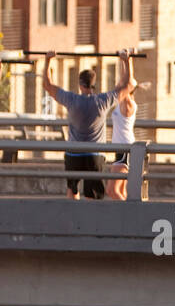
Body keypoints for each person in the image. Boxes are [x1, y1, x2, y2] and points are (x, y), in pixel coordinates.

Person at [42, 50, 131, 200]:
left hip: (73, 153)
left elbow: (47, 85)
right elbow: (128, 86)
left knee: (72, 191)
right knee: (93, 195)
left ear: (80, 84)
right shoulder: (102, 101)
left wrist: (47, 61)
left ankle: (73, 220)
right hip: (95, 154)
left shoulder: (71, 99)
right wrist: (126, 61)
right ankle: (90, 222)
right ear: (93, 84)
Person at [106, 71, 140, 200]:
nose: (118, 84)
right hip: (121, 149)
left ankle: (132, 215)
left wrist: (127, 62)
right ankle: (126, 217)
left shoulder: (128, 104)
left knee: (112, 190)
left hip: (124, 149)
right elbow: (122, 85)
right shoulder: (121, 102)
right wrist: (127, 58)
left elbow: (126, 82)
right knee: (120, 190)